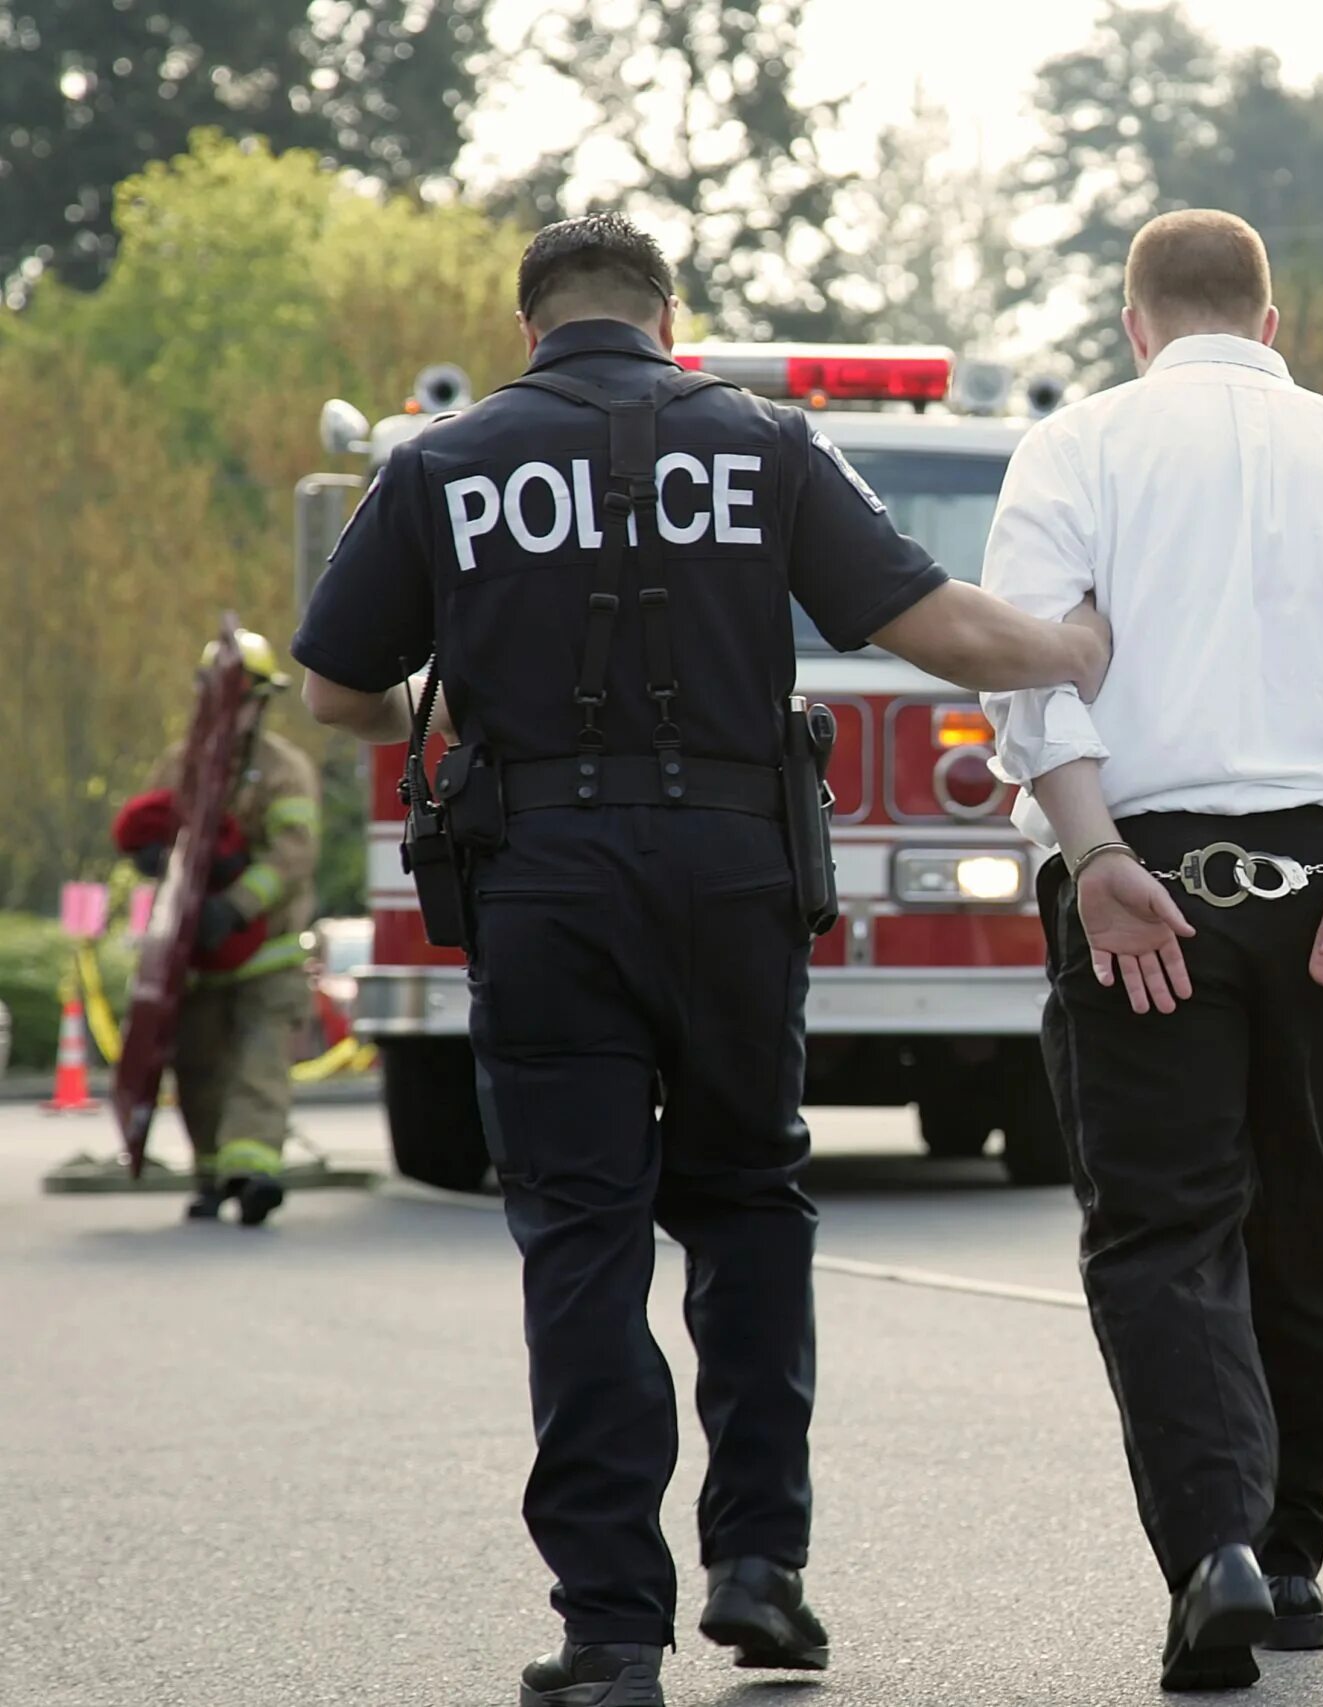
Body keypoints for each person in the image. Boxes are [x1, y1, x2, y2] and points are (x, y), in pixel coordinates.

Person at [294, 212, 1112, 1707]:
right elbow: (934, 624)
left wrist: (451, 700)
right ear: (670, 319)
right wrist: (1078, 649)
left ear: (528, 322)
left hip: (539, 889)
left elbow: (345, 689)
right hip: (736, 879)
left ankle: (611, 1632)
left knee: (584, 1239)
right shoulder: (766, 445)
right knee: (745, 1200)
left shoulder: (441, 460)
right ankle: (762, 1570)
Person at [979, 209, 1323, 1692]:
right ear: (1271, 328)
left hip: (1142, 865)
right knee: (1299, 1202)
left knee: (1162, 1220)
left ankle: (1212, 1548)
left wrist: (1095, 859)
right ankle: (1294, 1550)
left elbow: (1031, 683)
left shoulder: (1076, 449)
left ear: (1136, 326)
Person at [122, 632, 320, 1226]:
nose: (233, 712)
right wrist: (153, 862)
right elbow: (154, 825)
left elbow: (294, 856)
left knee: (259, 1066)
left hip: (269, 954)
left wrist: (233, 905)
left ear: (262, 703)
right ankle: (211, 1174)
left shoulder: (285, 771)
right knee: (200, 1069)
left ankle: (253, 1174)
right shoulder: (180, 764)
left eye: (244, 700)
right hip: (199, 960)